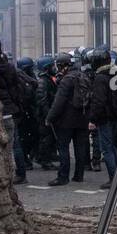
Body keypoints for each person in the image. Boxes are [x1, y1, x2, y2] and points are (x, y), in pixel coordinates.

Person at [45, 52, 89, 186]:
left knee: (63, 148)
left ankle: (63, 176)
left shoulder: (66, 80)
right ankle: (79, 175)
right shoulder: (84, 76)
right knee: (80, 148)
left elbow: (59, 102)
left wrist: (50, 117)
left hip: (66, 120)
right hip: (82, 118)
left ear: (62, 66)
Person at [0, 35, 28, 184]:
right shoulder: (9, 67)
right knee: (15, 144)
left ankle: (5, 174)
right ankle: (20, 172)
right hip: (10, 110)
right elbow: (15, 89)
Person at [87, 47, 117, 190]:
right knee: (113, 146)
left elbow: (98, 101)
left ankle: (113, 178)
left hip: (105, 117)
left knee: (107, 148)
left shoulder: (100, 77)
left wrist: (93, 119)